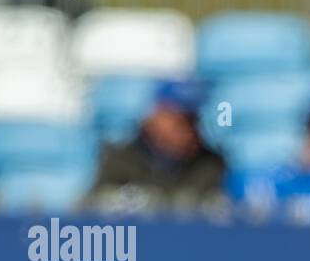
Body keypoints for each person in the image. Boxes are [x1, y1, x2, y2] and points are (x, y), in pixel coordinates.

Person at [84, 79, 226, 214]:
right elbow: (88, 212)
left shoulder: (212, 166)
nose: (190, 129)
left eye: (194, 119)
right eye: (181, 118)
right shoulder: (120, 161)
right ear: (157, 116)